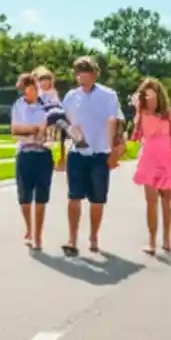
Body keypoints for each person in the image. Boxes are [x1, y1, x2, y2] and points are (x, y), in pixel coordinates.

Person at [57, 56, 124, 256]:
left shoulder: (108, 95)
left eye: (85, 72)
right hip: (77, 152)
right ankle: (72, 239)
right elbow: (63, 123)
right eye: (78, 73)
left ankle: (94, 236)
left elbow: (117, 121)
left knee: (97, 200)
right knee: (74, 197)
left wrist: (115, 151)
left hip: (99, 153)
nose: (81, 77)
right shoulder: (71, 96)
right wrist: (62, 154)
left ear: (94, 74)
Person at [130, 78, 171, 256]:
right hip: (149, 161)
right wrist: (137, 110)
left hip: (168, 161)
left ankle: (167, 239)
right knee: (151, 202)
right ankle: (152, 241)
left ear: (158, 93)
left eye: (150, 91)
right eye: (144, 92)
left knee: (166, 202)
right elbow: (135, 137)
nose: (147, 95)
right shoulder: (142, 114)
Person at [10, 73, 54, 251]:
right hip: (25, 153)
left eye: (31, 87)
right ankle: (29, 227)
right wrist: (35, 129)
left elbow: (50, 133)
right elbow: (15, 131)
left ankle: (37, 236)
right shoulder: (18, 106)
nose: (29, 91)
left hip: (43, 154)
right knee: (24, 198)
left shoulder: (47, 106)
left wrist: (29, 131)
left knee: (41, 198)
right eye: (25, 88)